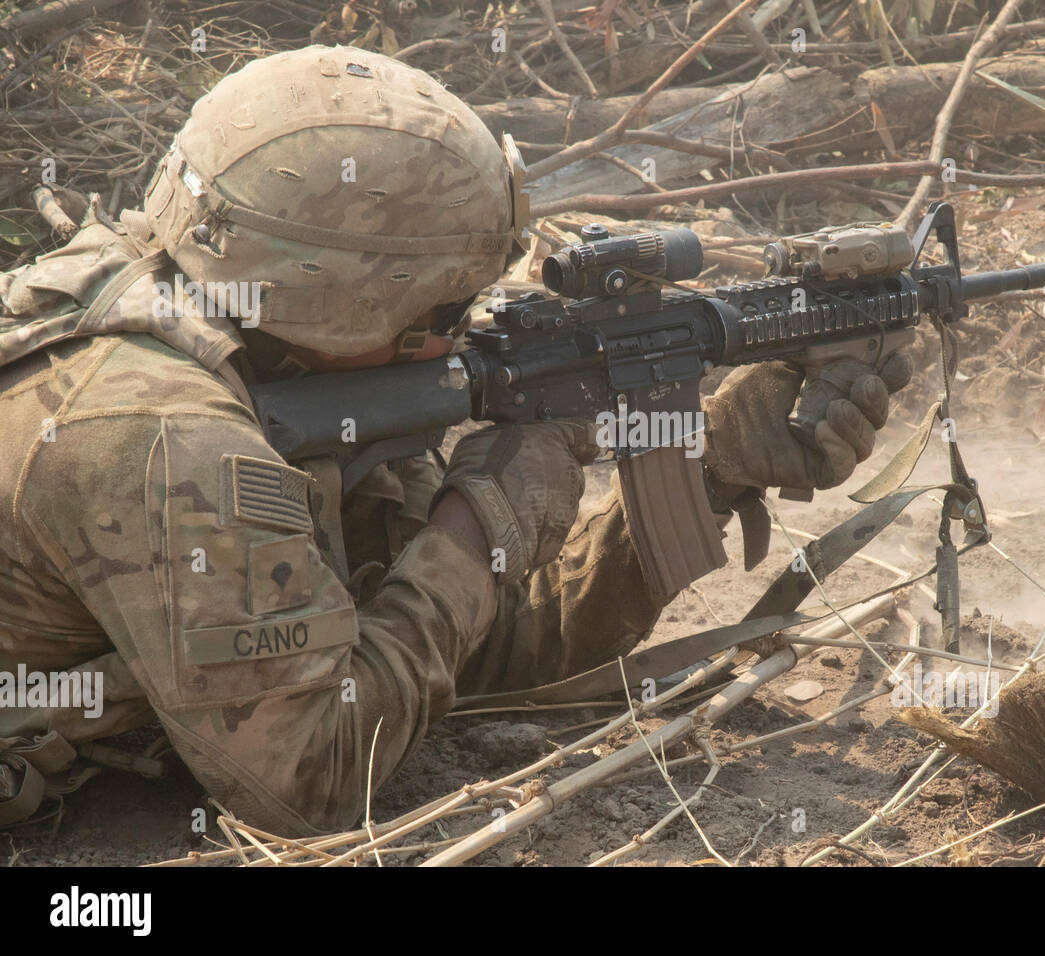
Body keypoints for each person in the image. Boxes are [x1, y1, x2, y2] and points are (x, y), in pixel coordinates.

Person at [0, 45, 910, 835]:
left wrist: (709, 466)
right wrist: (482, 524)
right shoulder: (164, 443)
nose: (469, 327)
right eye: (453, 307)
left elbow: (464, 655)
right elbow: (313, 782)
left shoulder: (257, 342)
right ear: (357, 306)